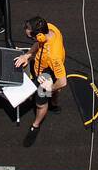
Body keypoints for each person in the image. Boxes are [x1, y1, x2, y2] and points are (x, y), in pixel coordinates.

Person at [14, 16, 67, 147]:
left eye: (30, 37)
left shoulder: (54, 56)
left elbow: (62, 81)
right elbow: (38, 44)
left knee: (40, 104)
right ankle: (54, 104)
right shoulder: (49, 28)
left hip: (47, 76)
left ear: (40, 36)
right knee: (54, 94)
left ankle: (35, 125)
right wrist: (27, 55)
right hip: (40, 67)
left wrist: (50, 87)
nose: (31, 40)